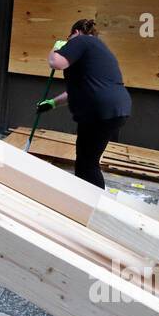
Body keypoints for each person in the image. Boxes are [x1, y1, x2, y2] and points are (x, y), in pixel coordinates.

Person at [39, 18, 132, 189]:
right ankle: (90, 202)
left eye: (69, 40)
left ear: (75, 33)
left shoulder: (81, 40)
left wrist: (57, 48)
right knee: (88, 161)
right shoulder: (98, 49)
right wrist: (52, 103)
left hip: (98, 112)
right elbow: (82, 89)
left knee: (86, 164)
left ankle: (92, 206)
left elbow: (56, 63)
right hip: (115, 110)